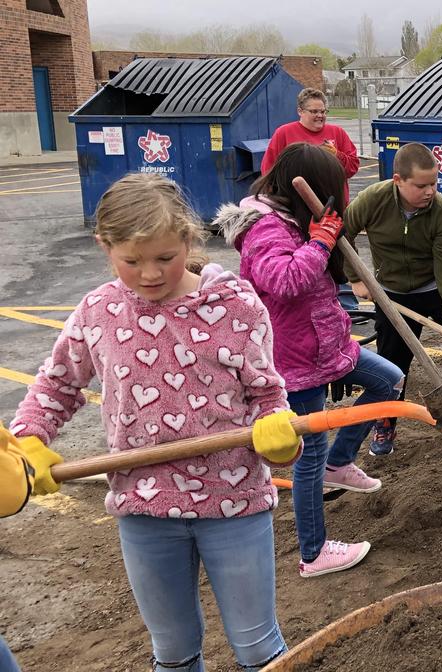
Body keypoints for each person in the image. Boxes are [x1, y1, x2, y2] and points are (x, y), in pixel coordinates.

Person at [7, 173, 299, 671]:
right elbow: (57, 384)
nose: (149, 274)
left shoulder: (235, 307)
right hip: (143, 508)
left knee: (256, 646)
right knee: (174, 650)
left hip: (234, 502)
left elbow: (266, 392)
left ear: (188, 237)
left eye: (166, 257)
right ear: (105, 247)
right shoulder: (98, 312)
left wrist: (277, 430)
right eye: (131, 261)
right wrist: (28, 439)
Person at [218, 143, 402, 576]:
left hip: (327, 344)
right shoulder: (265, 230)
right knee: (307, 456)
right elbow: (285, 281)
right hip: (294, 358)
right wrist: (321, 240)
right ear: (309, 189)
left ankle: (341, 462)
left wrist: (323, 237)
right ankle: (314, 553)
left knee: (388, 382)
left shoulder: (294, 221)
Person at [340, 142, 442, 452]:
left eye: (434, 182)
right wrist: (354, 278)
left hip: (436, 287)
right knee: (392, 366)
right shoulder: (373, 200)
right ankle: (386, 425)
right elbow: (341, 234)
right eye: (421, 185)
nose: (430, 191)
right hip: (392, 294)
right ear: (398, 181)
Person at [261, 87, 361, 311]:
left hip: (333, 212)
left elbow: (353, 166)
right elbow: (269, 171)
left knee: (340, 258)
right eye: (314, 111)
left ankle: (346, 306)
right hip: (297, 214)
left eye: (323, 111)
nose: (320, 116)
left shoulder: (337, 134)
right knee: (308, 258)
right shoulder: (284, 134)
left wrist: (337, 156)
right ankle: (312, 302)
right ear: (300, 111)